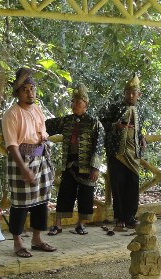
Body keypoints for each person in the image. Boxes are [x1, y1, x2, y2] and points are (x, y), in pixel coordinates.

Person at [2, 67, 56, 258]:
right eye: (25, 89)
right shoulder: (12, 114)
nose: (30, 92)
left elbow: (42, 133)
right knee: (21, 203)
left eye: (32, 88)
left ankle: (37, 239)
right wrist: (23, 168)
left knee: (42, 201)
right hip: (22, 160)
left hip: (41, 158)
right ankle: (18, 243)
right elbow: (11, 145)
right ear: (18, 92)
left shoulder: (38, 110)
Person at [45, 84, 104, 236]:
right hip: (69, 163)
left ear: (86, 104)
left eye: (78, 102)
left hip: (87, 164)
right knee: (65, 192)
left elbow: (99, 145)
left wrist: (96, 167)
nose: (74, 105)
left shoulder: (94, 122)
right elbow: (45, 126)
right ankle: (57, 225)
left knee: (86, 194)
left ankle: (81, 224)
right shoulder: (66, 120)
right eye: (72, 101)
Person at [100, 73, 147, 231]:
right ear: (124, 93)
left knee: (132, 185)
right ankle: (119, 218)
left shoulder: (139, 110)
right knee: (118, 185)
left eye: (134, 93)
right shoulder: (115, 107)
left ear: (139, 95)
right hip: (117, 153)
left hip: (133, 153)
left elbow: (137, 129)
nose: (131, 95)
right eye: (128, 93)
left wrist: (142, 138)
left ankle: (130, 217)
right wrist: (116, 126)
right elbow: (102, 123)